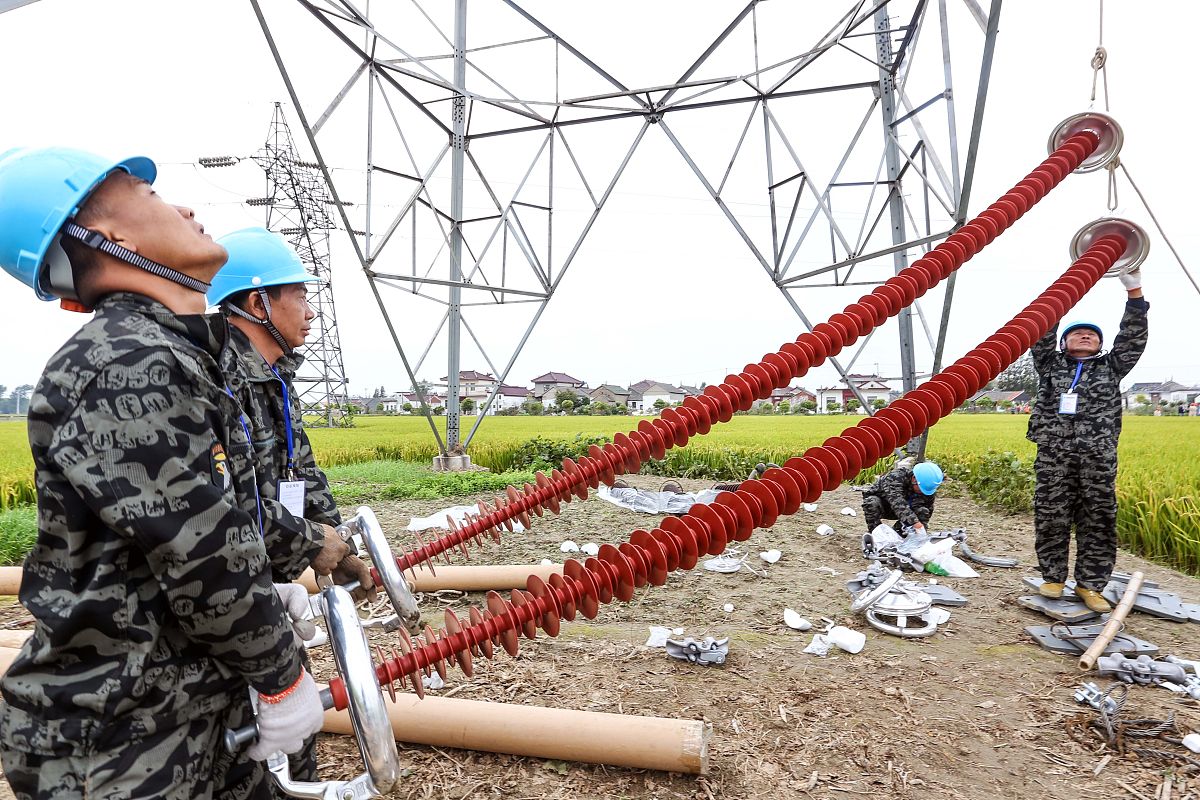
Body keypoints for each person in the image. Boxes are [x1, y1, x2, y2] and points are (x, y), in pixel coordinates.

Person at [0, 147, 324, 799]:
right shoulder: (124, 364)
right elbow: (202, 553)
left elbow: (225, 520)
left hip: (187, 702)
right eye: (149, 198)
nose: (186, 208)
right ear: (112, 237)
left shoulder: (177, 354)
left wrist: (261, 587)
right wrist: (282, 676)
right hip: (120, 738)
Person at [207, 227, 376, 785]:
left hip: (269, 593)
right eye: (298, 296)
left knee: (294, 744)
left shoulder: (276, 378)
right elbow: (228, 506)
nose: (310, 311)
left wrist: (339, 546)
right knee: (247, 758)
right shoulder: (220, 379)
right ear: (259, 303)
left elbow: (299, 472)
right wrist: (310, 544)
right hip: (226, 603)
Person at [1028, 268, 1148, 613]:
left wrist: (1134, 292)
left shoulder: (1112, 366)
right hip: (1054, 455)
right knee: (1051, 515)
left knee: (1098, 517)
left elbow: (1133, 338)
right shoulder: (1050, 365)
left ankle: (1090, 585)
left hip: (1097, 456)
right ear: (1064, 342)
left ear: (1100, 344)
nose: (1084, 336)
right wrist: (1065, 291)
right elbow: (1042, 330)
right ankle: (1052, 577)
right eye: (1076, 333)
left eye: (1091, 334)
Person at [859, 460, 944, 535]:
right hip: (885, 506)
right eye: (921, 489)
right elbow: (897, 503)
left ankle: (899, 535)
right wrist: (915, 523)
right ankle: (876, 534)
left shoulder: (927, 489)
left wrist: (922, 531)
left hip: (907, 509)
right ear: (914, 479)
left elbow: (927, 510)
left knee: (923, 511)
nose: (923, 492)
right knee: (871, 502)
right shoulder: (896, 477)